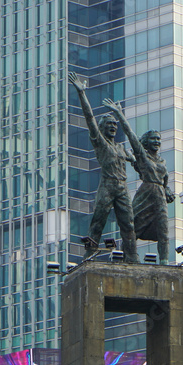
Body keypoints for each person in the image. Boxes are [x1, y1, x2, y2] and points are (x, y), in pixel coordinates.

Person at [68, 72, 139, 263]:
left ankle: (132, 256)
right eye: (109, 124)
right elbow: (90, 118)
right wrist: (82, 93)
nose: (113, 127)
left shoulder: (122, 148)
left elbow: (137, 160)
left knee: (128, 223)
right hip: (107, 185)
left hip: (122, 186)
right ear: (102, 128)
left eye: (115, 125)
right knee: (98, 221)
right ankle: (90, 253)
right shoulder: (100, 142)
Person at [105, 100, 173, 264]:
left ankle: (164, 262)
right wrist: (120, 114)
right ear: (147, 142)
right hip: (146, 193)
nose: (157, 141)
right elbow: (131, 135)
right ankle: (126, 257)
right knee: (132, 226)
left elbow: (164, 180)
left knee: (164, 230)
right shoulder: (142, 156)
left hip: (160, 196)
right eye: (154, 139)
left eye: (159, 139)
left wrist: (167, 189)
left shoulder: (162, 161)